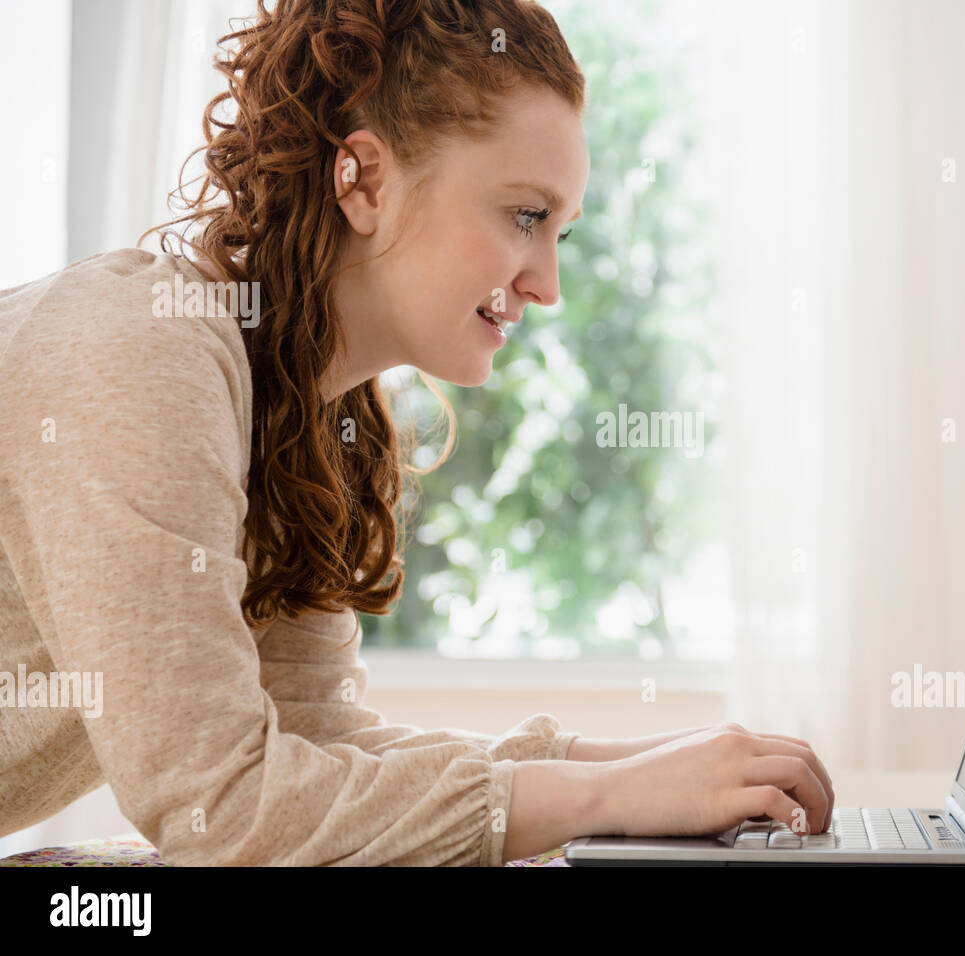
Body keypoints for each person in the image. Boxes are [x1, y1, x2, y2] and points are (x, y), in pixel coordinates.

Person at [0, 0, 833, 866]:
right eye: (523, 216)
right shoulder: (140, 350)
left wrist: (648, 771)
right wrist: (608, 795)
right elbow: (228, 806)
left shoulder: (310, 416)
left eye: (562, 232)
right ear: (361, 180)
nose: (547, 283)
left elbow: (314, 743)